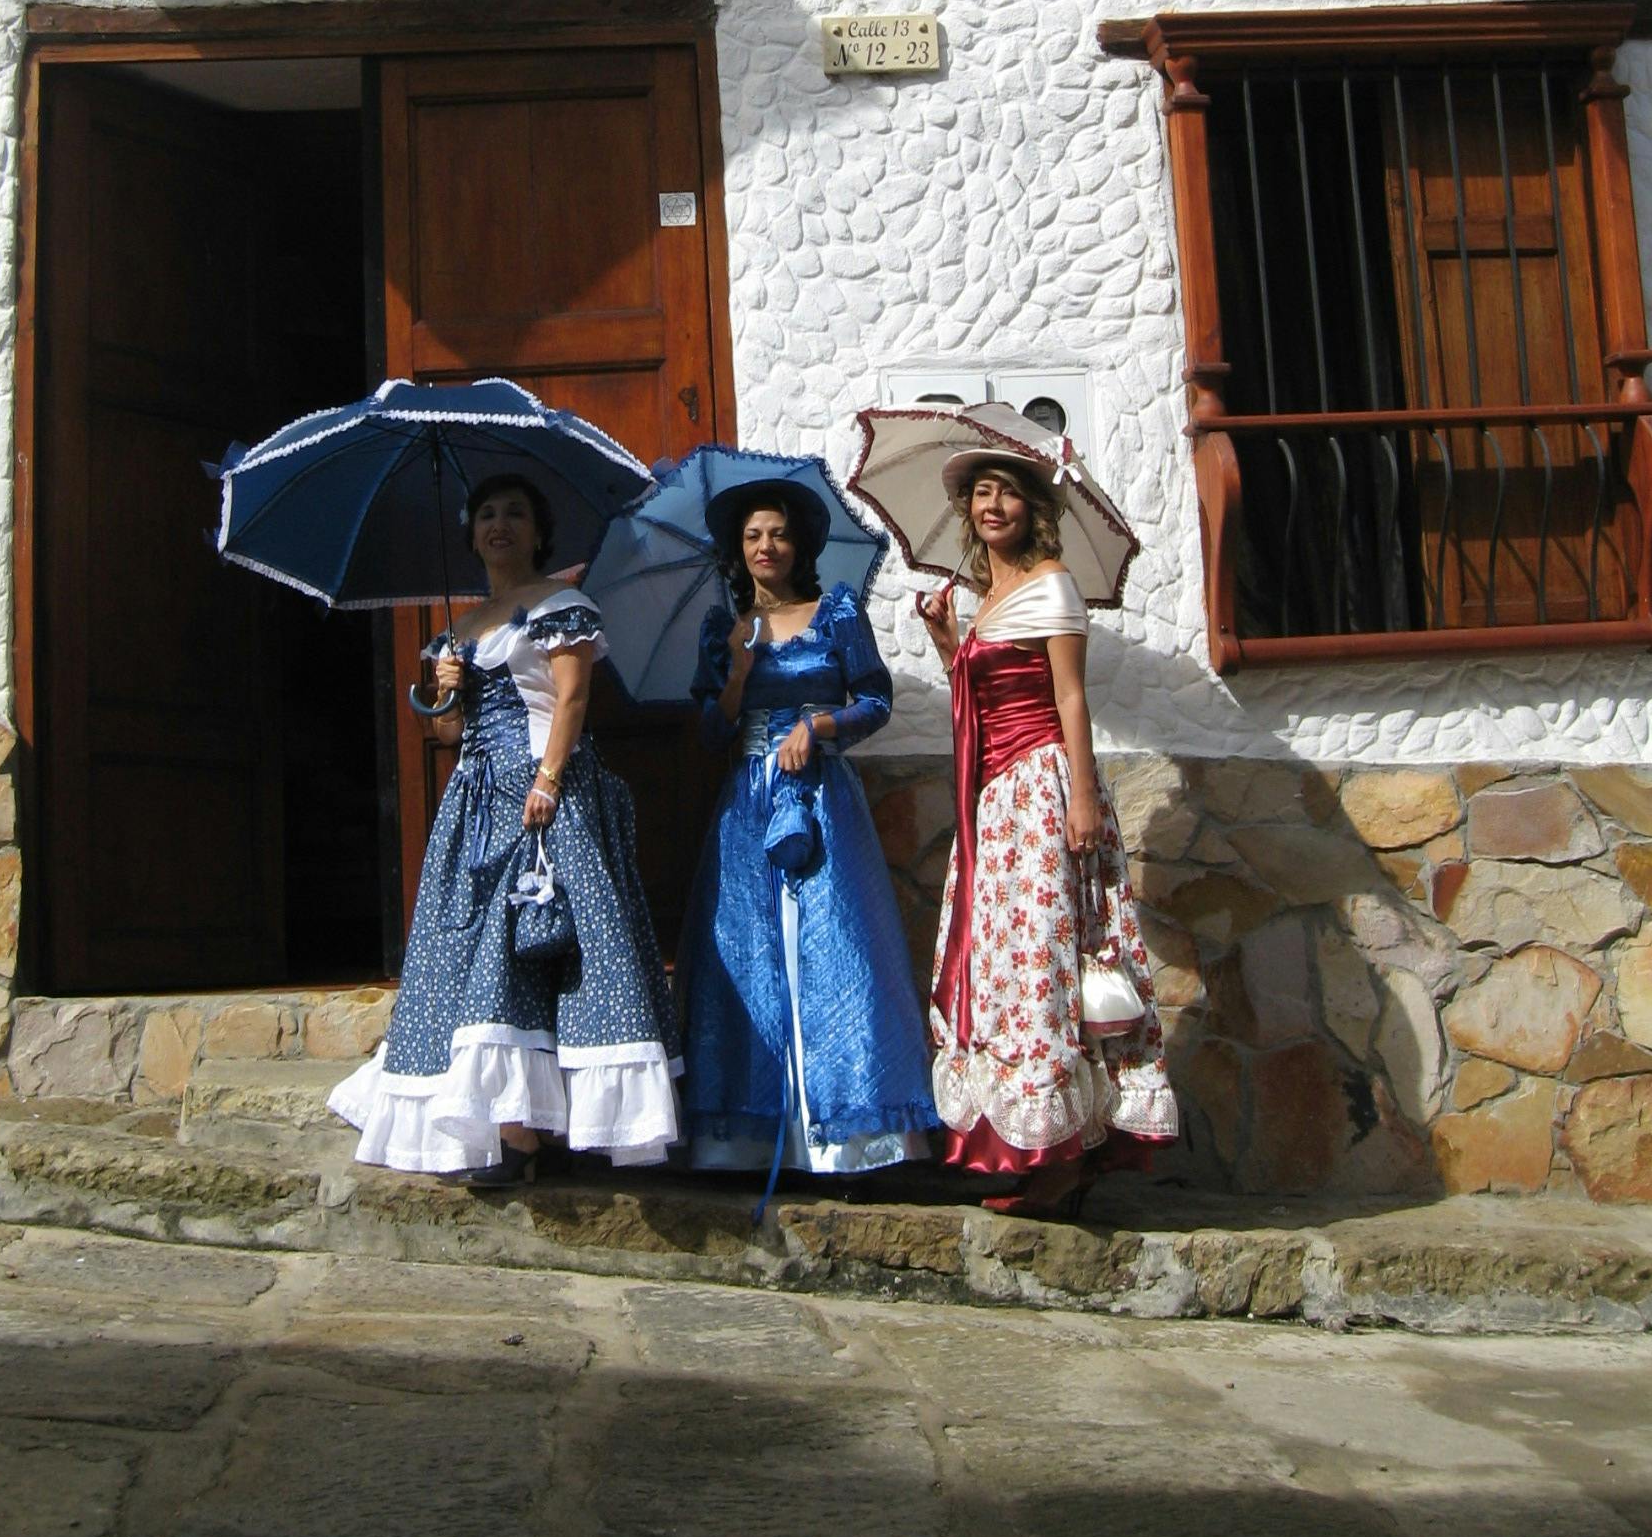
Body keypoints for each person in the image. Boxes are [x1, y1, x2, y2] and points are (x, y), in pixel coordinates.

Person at [328, 471, 682, 1180]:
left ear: (537, 531)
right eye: (487, 514)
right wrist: (446, 692)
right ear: (471, 533)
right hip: (476, 802)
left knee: (546, 951)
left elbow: (573, 698)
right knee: (476, 955)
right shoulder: (461, 627)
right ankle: (509, 1128)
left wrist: (548, 781)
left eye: (515, 514)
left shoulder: (560, 603)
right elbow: (454, 728)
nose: (500, 525)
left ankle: (551, 1129)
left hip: (544, 794)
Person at [916, 448, 1176, 1207]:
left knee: (1046, 956)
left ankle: (1063, 1152)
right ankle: (1019, 1142)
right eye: (981, 494)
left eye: (1008, 495)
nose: (993, 506)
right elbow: (978, 698)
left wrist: (1085, 799)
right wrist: (947, 643)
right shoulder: (985, 599)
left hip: (1040, 791)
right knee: (1002, 964)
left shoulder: (1052, 587)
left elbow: (1069, 698)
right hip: (994, 802)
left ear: (1033, 508)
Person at [681, 478, 937, 1178]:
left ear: (801, 546)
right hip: (749, 809)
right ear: (739, 550)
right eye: (754, 535)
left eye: (780, 533)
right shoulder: (722, 630)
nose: (767, 546)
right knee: (753, 956)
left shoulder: (836, 612)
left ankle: (848, 1144)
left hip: (823, 798)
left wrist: (818, 725)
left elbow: (876, 700)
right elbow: (710, 732)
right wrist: (735, 676)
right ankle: (755, 1141)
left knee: (834, 950)